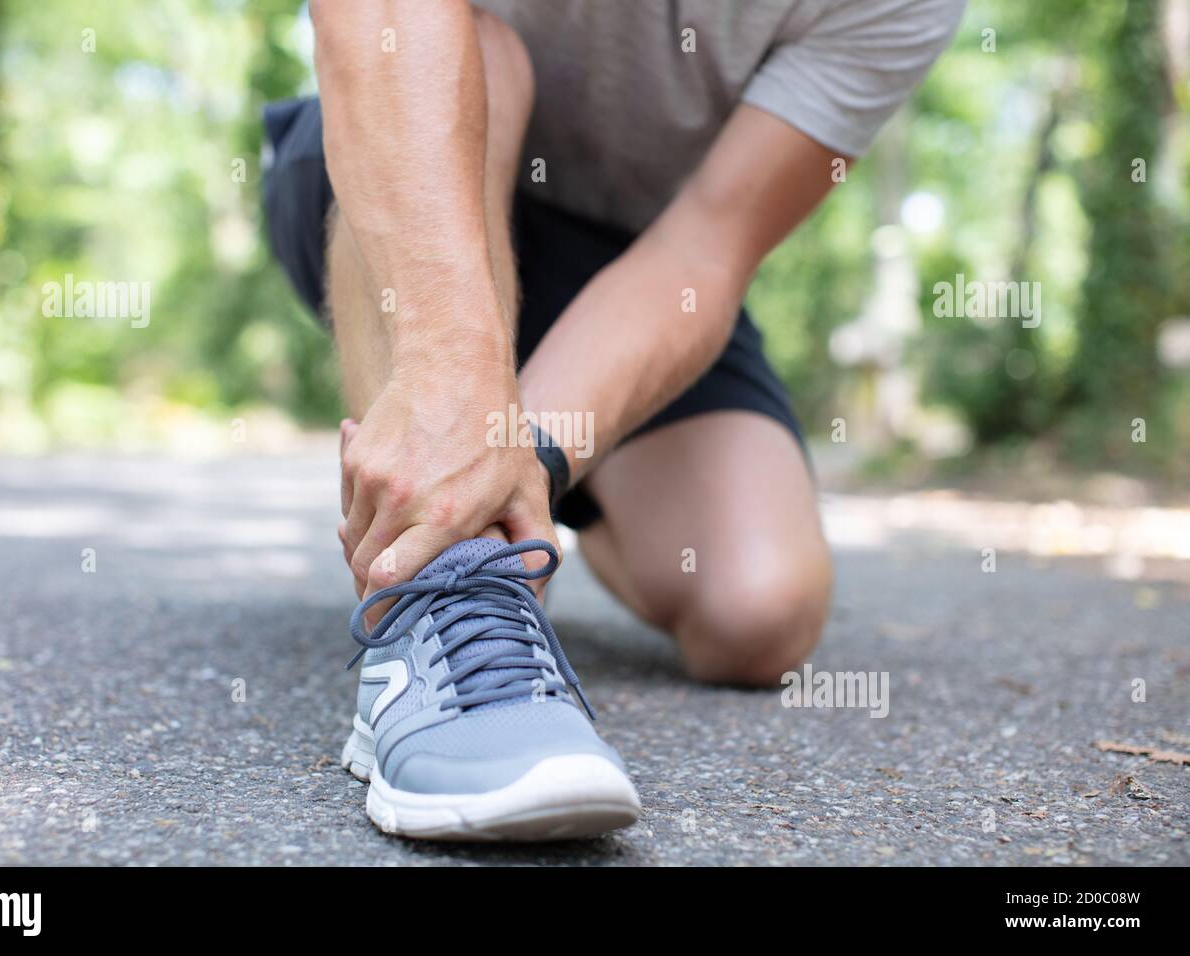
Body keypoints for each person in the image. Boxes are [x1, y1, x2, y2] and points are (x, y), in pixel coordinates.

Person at [262, 0, 965, 840]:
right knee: (492, 53)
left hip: (632, 262)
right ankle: (439, 606)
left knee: (759, 609)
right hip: (400, 161)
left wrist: (525, 462)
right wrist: (452, 386)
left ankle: (522, 515)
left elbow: (705, 247)